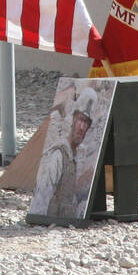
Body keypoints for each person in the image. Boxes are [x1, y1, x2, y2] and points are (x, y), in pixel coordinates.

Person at [31, 86, 99, 218]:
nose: (81, 127)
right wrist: (39, 220)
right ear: (73, 119)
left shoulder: (77, 157)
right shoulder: (58, 154)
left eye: (86, 123)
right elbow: (42, 196)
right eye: (80, 119)